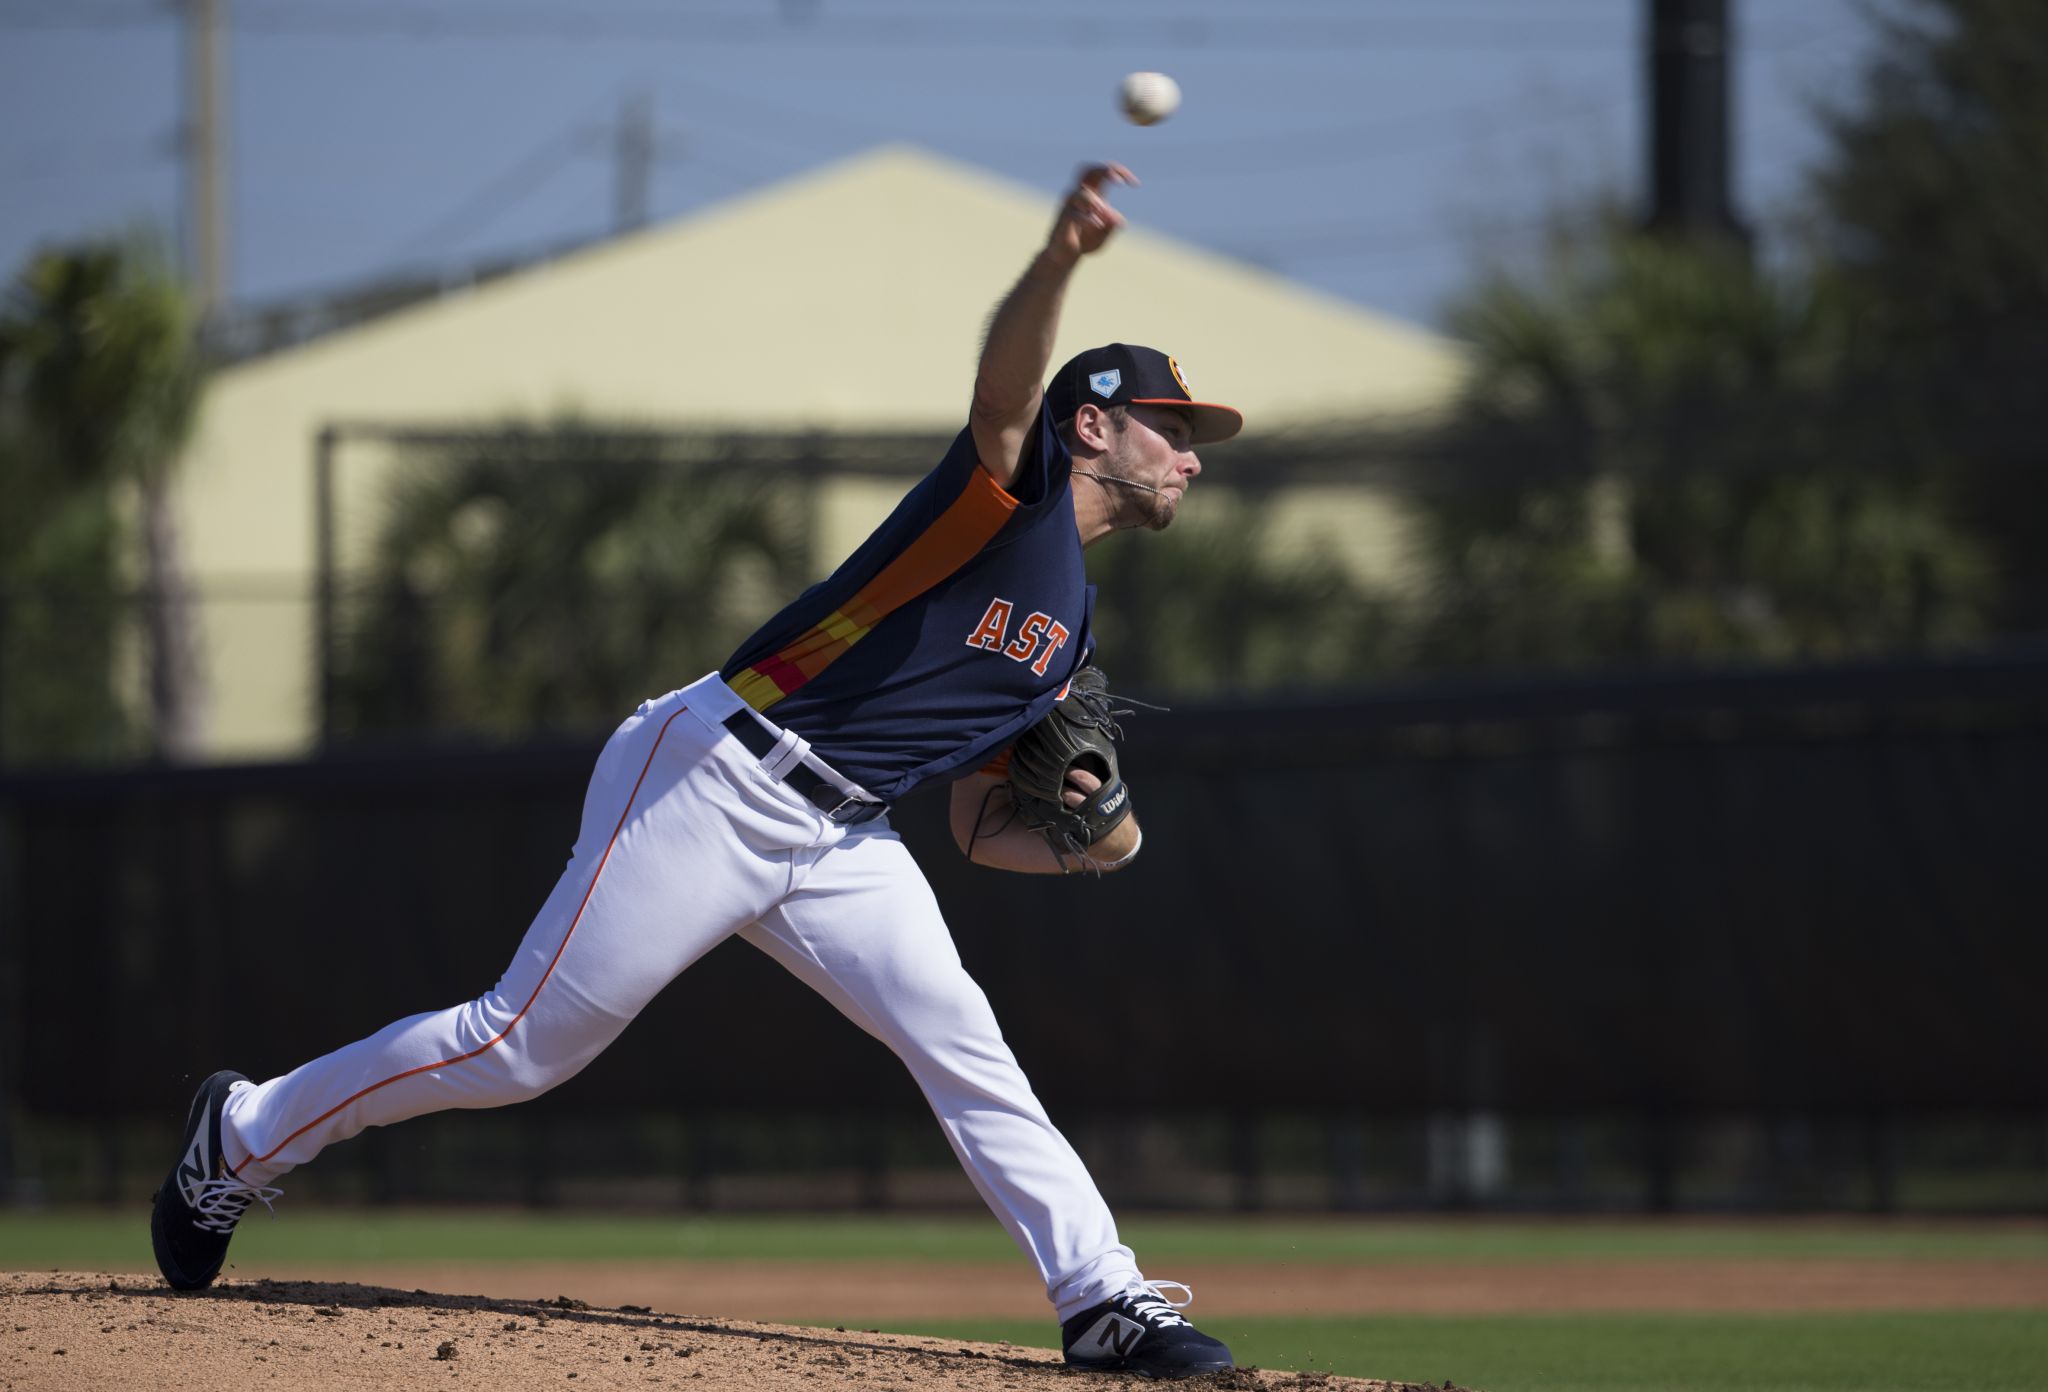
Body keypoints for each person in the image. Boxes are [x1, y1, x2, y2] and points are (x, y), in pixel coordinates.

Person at [150, 161, 1244, 1379]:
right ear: (1091, 422)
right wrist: (1058, 259)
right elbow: (1004, 393)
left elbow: (983, 829)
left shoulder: (1068, 637)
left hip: (844, 837)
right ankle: (240, 1136)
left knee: (965, 1046)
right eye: (1172, 428)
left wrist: (1095, 830)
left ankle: (1100, 1300)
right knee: (518, 1048)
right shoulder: (1007, 502)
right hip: (717, 773)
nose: (1191, 455)